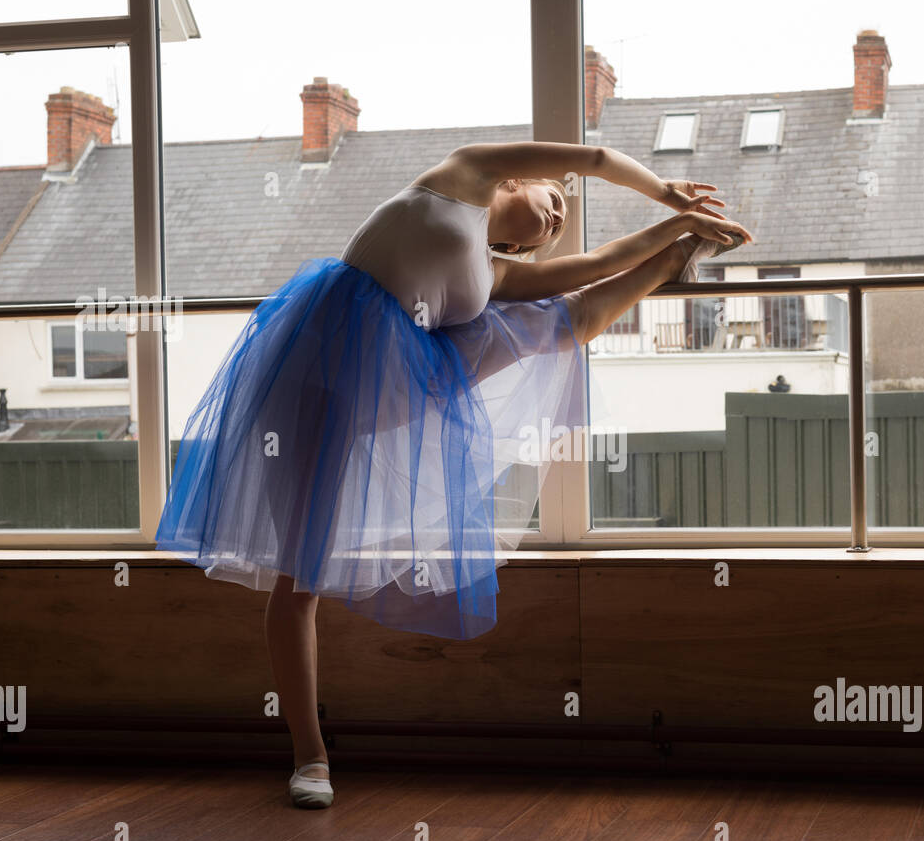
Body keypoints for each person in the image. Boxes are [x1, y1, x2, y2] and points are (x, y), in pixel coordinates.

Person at [155, 141, 753, 807]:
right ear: (520, 178)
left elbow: (589, 267)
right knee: (299, 581)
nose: (555, 222)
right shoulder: (462, 176)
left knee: (563, 320)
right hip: (316, 378)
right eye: (554, 203)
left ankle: (678, 263)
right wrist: (668, 194)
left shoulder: (494, 274)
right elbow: (592, 157)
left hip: (408, 377)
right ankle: (309, 757)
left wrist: (673, 232)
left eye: (557, 224)